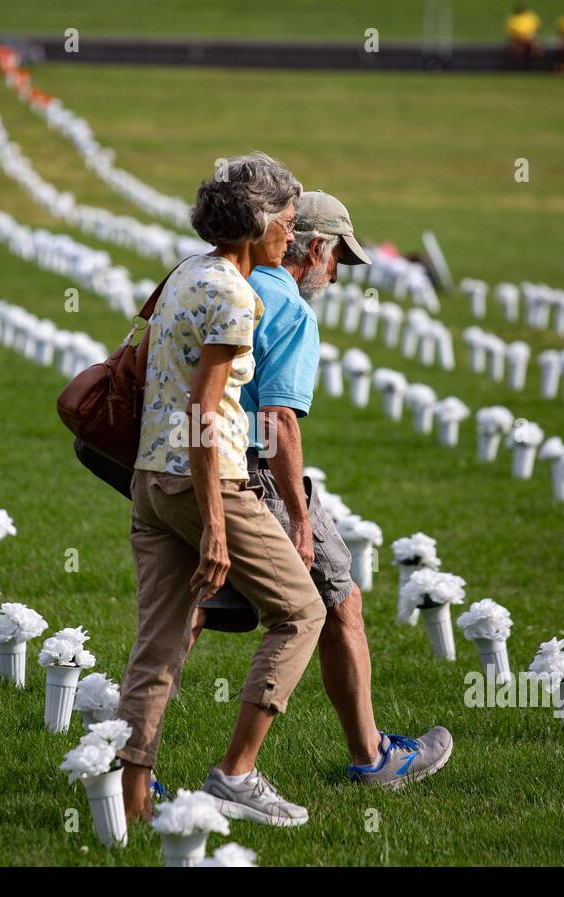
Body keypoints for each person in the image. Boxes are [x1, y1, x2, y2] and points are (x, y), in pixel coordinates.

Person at [191, 192, 454, 788]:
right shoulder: (289, 309)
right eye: (336, 258)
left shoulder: (226, 280)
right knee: (335, 601)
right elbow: (278, 422)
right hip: (256, 474)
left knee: (195, 607)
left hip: (196, 465)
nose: (336, 274)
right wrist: (301, 520)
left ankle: (131, 752)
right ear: (311, 249)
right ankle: (370, 758)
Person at [114, 153, 326, 828]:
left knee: (158, 649)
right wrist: (214, 523)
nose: (292, 239)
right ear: (257, 224)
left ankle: (134, 804)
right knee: (301, 612)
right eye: (287, 224)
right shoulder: (236, 295)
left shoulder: (186, 272)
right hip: (203, 480)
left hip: (149, 481)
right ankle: (236, 774)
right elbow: (206, 415)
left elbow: (152, 370)